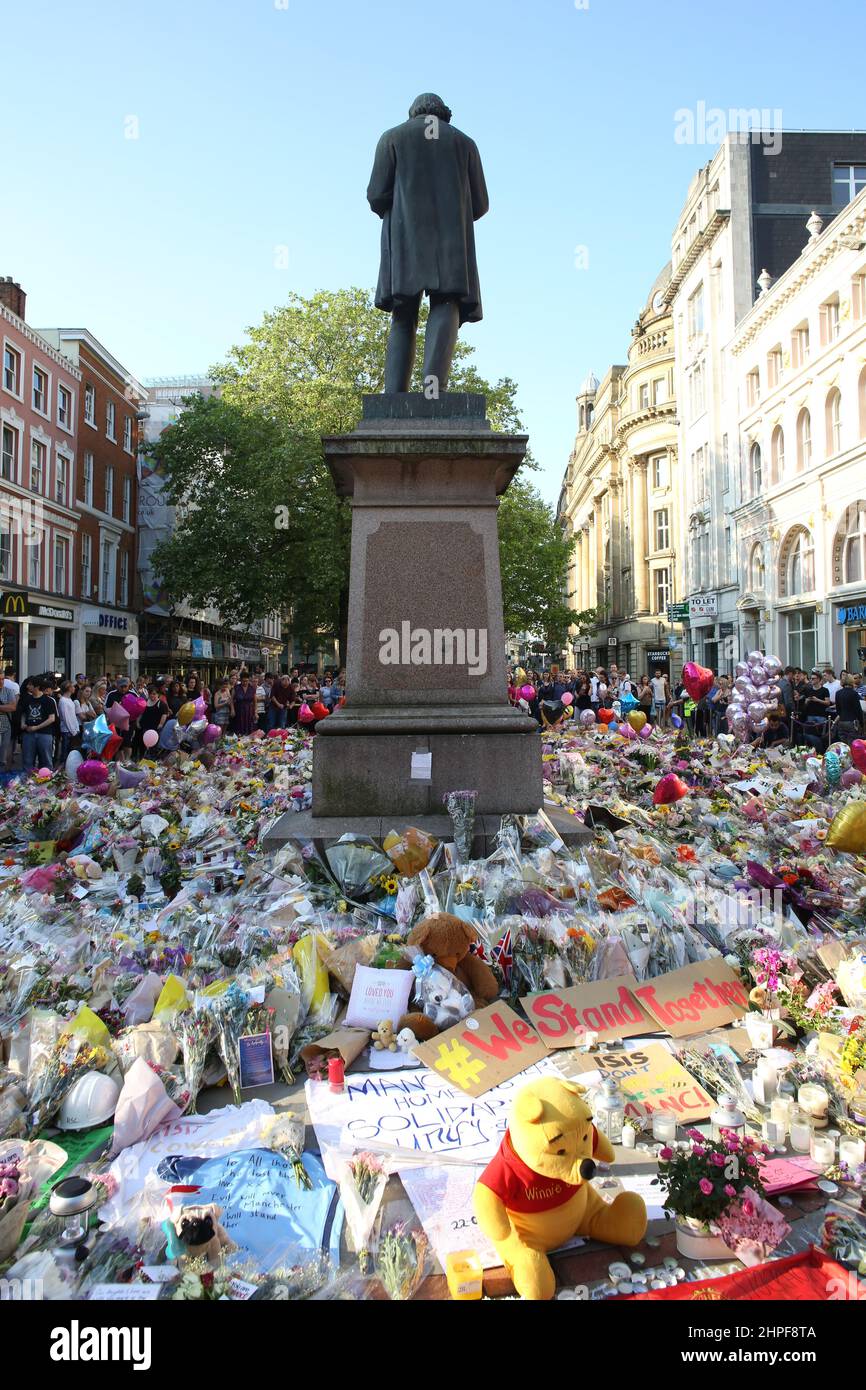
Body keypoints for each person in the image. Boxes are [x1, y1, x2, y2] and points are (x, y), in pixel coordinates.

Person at [20, 677, 56, 771]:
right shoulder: (27, 699)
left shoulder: (48, 700)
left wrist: (36, 727)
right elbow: (24, 713)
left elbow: (51, 718)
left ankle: (47, 781)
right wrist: (23, 723)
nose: (28, 686)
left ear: (37, 686)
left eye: (30, 685)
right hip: (28, 733)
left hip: (45, 733)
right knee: (27, 760)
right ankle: (27, 782)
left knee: (46, 760)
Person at [832, 673, 865, 744]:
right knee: (852, 743)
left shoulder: (838, 693)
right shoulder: (854, 693)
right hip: (851, 721)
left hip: (841, 721)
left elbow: (838, 709)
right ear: (851, 681)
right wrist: (862, 724)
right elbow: (858, 710)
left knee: (844, 744)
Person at [57, 681, 79, 763]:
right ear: (68, 688)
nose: (74, 688)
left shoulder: (69, 699)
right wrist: (73, 731)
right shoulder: (63, 701)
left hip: (73, 729)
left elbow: (73, 716)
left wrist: (76, 728)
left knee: (71, 752)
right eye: (73, 687)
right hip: (67, 730)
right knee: (65, 752)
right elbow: (66, 718)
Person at [232, 670, 256, 735]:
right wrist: (232, 710)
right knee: (239, 726)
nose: (245, 682)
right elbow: (231, 700)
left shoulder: (252, 688)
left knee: (249, 727)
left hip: (249, 710)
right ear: (241, 680)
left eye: (246, 681)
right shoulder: (236, 688)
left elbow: (255, 701)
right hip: (239, 709)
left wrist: (256, 712)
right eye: (243, 681)